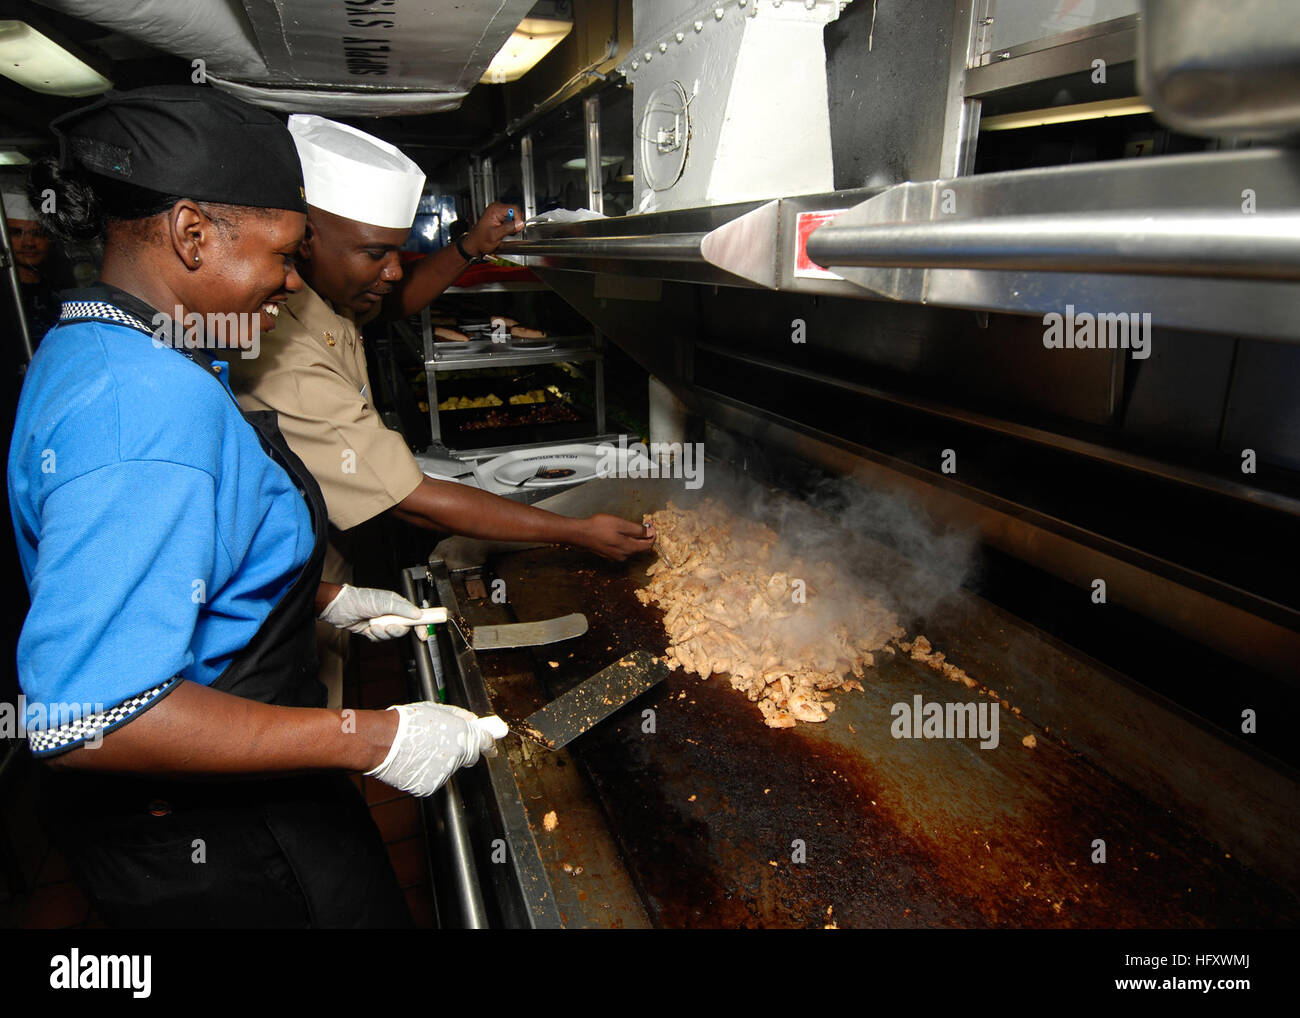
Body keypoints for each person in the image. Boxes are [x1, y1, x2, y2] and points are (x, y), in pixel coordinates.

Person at [8, 85, 503, 928]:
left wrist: (325, 600)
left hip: (253, 782)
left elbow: (173, 559)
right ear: (191, 234)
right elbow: (87, 718)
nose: (288, 284)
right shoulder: (141, 407)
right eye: (281, 255)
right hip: (218, 837)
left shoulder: (114, 344)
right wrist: (372, 737)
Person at [228, 114, 656, 709]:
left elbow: (395, 299)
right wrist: (576, 532)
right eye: (376, 253)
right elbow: (412, 500)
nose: (394, 269)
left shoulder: (320, 294)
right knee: (305, 712)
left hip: (321, 565)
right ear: (305, 240)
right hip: (289, 583)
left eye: (398, 251)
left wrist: (467, 248)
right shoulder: (284, 350)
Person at [3, 183, 63, 341]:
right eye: (17, 233)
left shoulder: (60, 293)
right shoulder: (6, 295)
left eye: (38, 233)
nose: (29, 243)